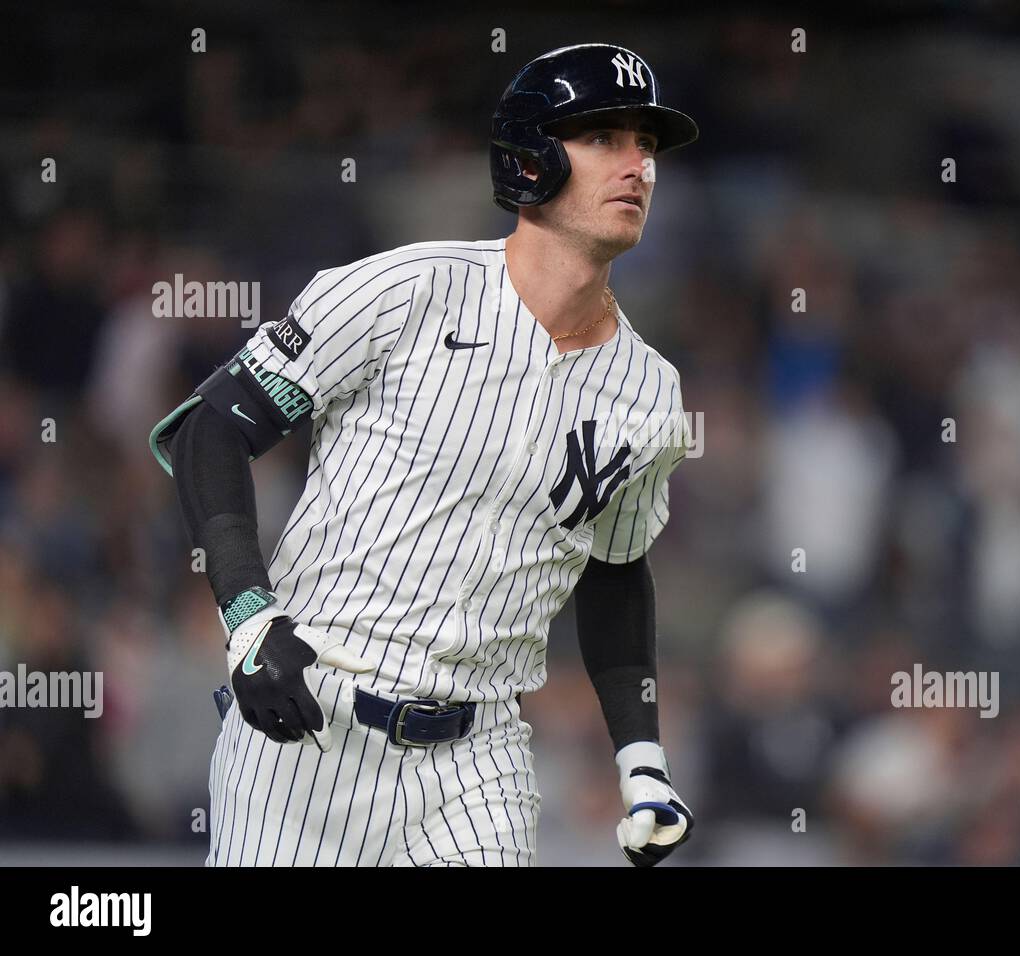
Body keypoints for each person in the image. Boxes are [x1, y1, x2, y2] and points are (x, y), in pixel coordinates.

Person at [147, 43, 697, 867]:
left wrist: (641, 761)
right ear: (532, 158)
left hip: (482, 760)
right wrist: (249, 621)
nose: (637, 166)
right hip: (306, 731)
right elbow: (211, 428)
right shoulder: (407, 290)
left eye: (646, 144)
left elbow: (616, 570)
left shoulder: (651, 390)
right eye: (604, 137)